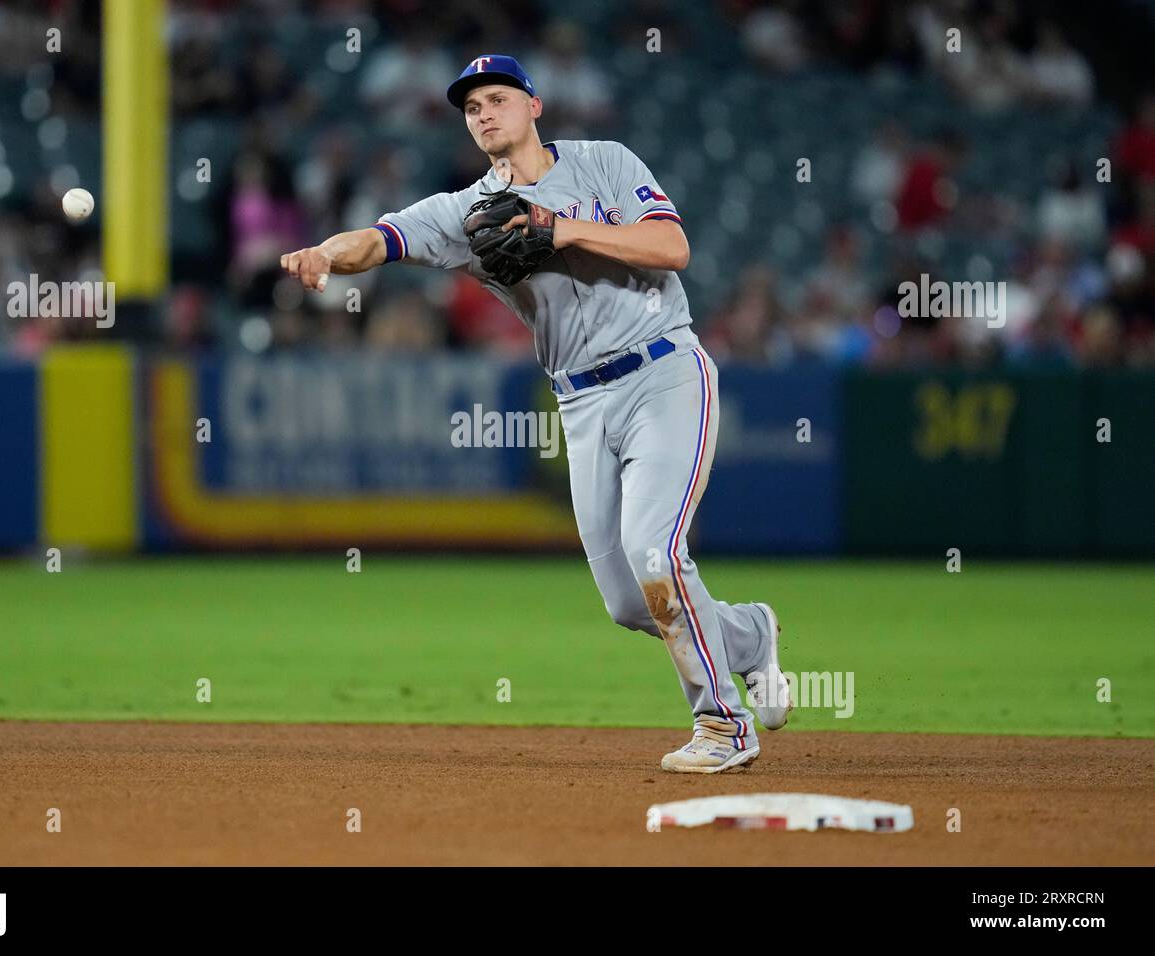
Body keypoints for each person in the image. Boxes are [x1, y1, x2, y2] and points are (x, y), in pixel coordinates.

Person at [280, 55, 791, 773]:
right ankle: (747, 637)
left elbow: (672, 247)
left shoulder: (604, 163)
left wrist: (563, 229)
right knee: (627, 600)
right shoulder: (466, 213)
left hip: (664, 373)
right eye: (471, 107)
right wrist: (325, 254)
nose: (484, 112)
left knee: (656, 553)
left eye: (498, 98)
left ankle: (723, 724)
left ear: (535, 105)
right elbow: (382, 237)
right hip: (580, 401)